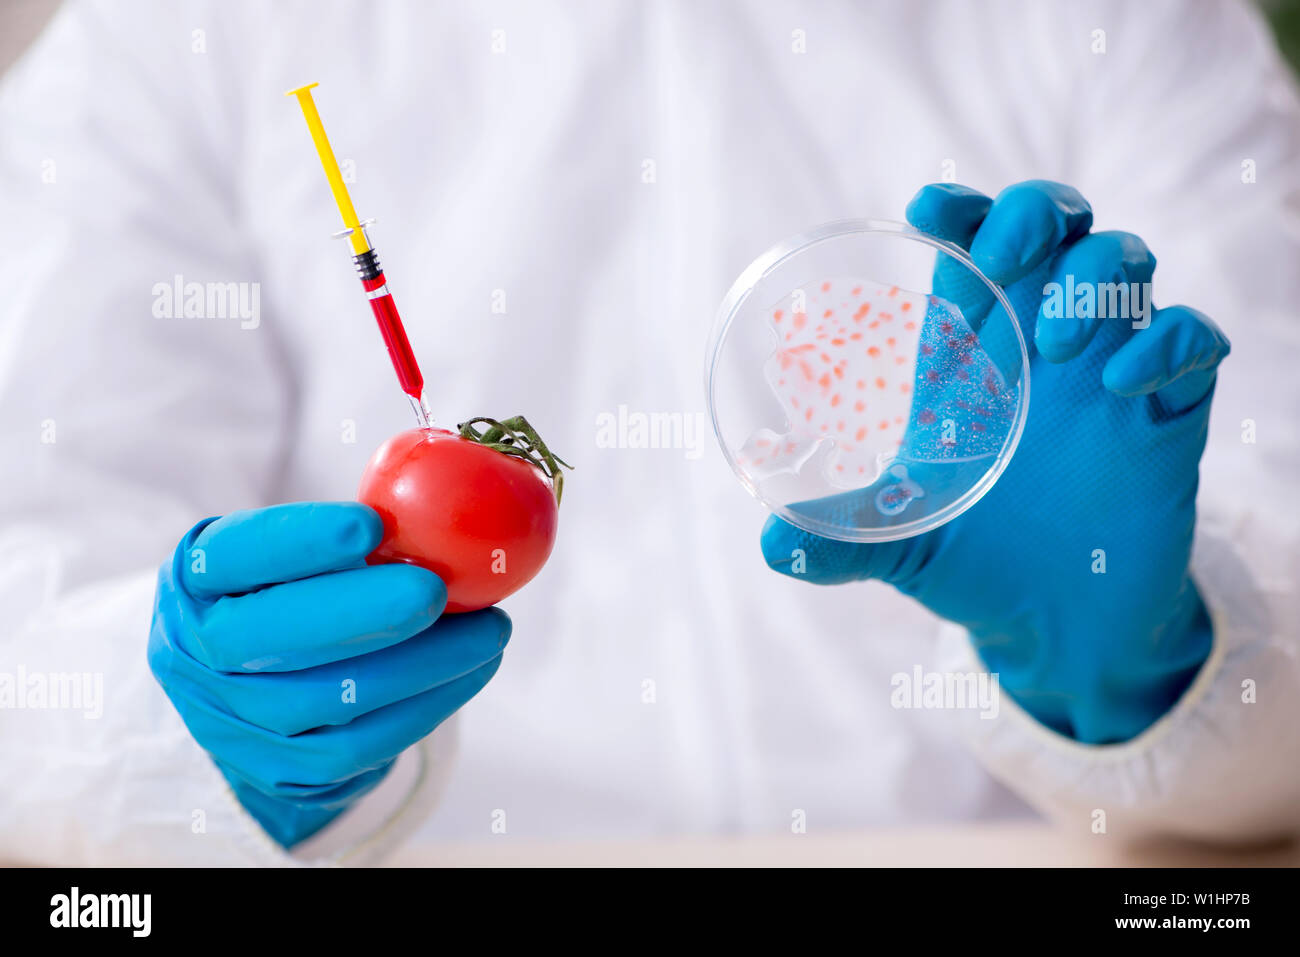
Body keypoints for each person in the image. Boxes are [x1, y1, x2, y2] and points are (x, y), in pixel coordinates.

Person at [1, 0, 1297, 866]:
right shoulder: (174, 34)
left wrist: (1142, 649)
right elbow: (24, 590)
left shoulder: (1125, 19)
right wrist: (182, 721)